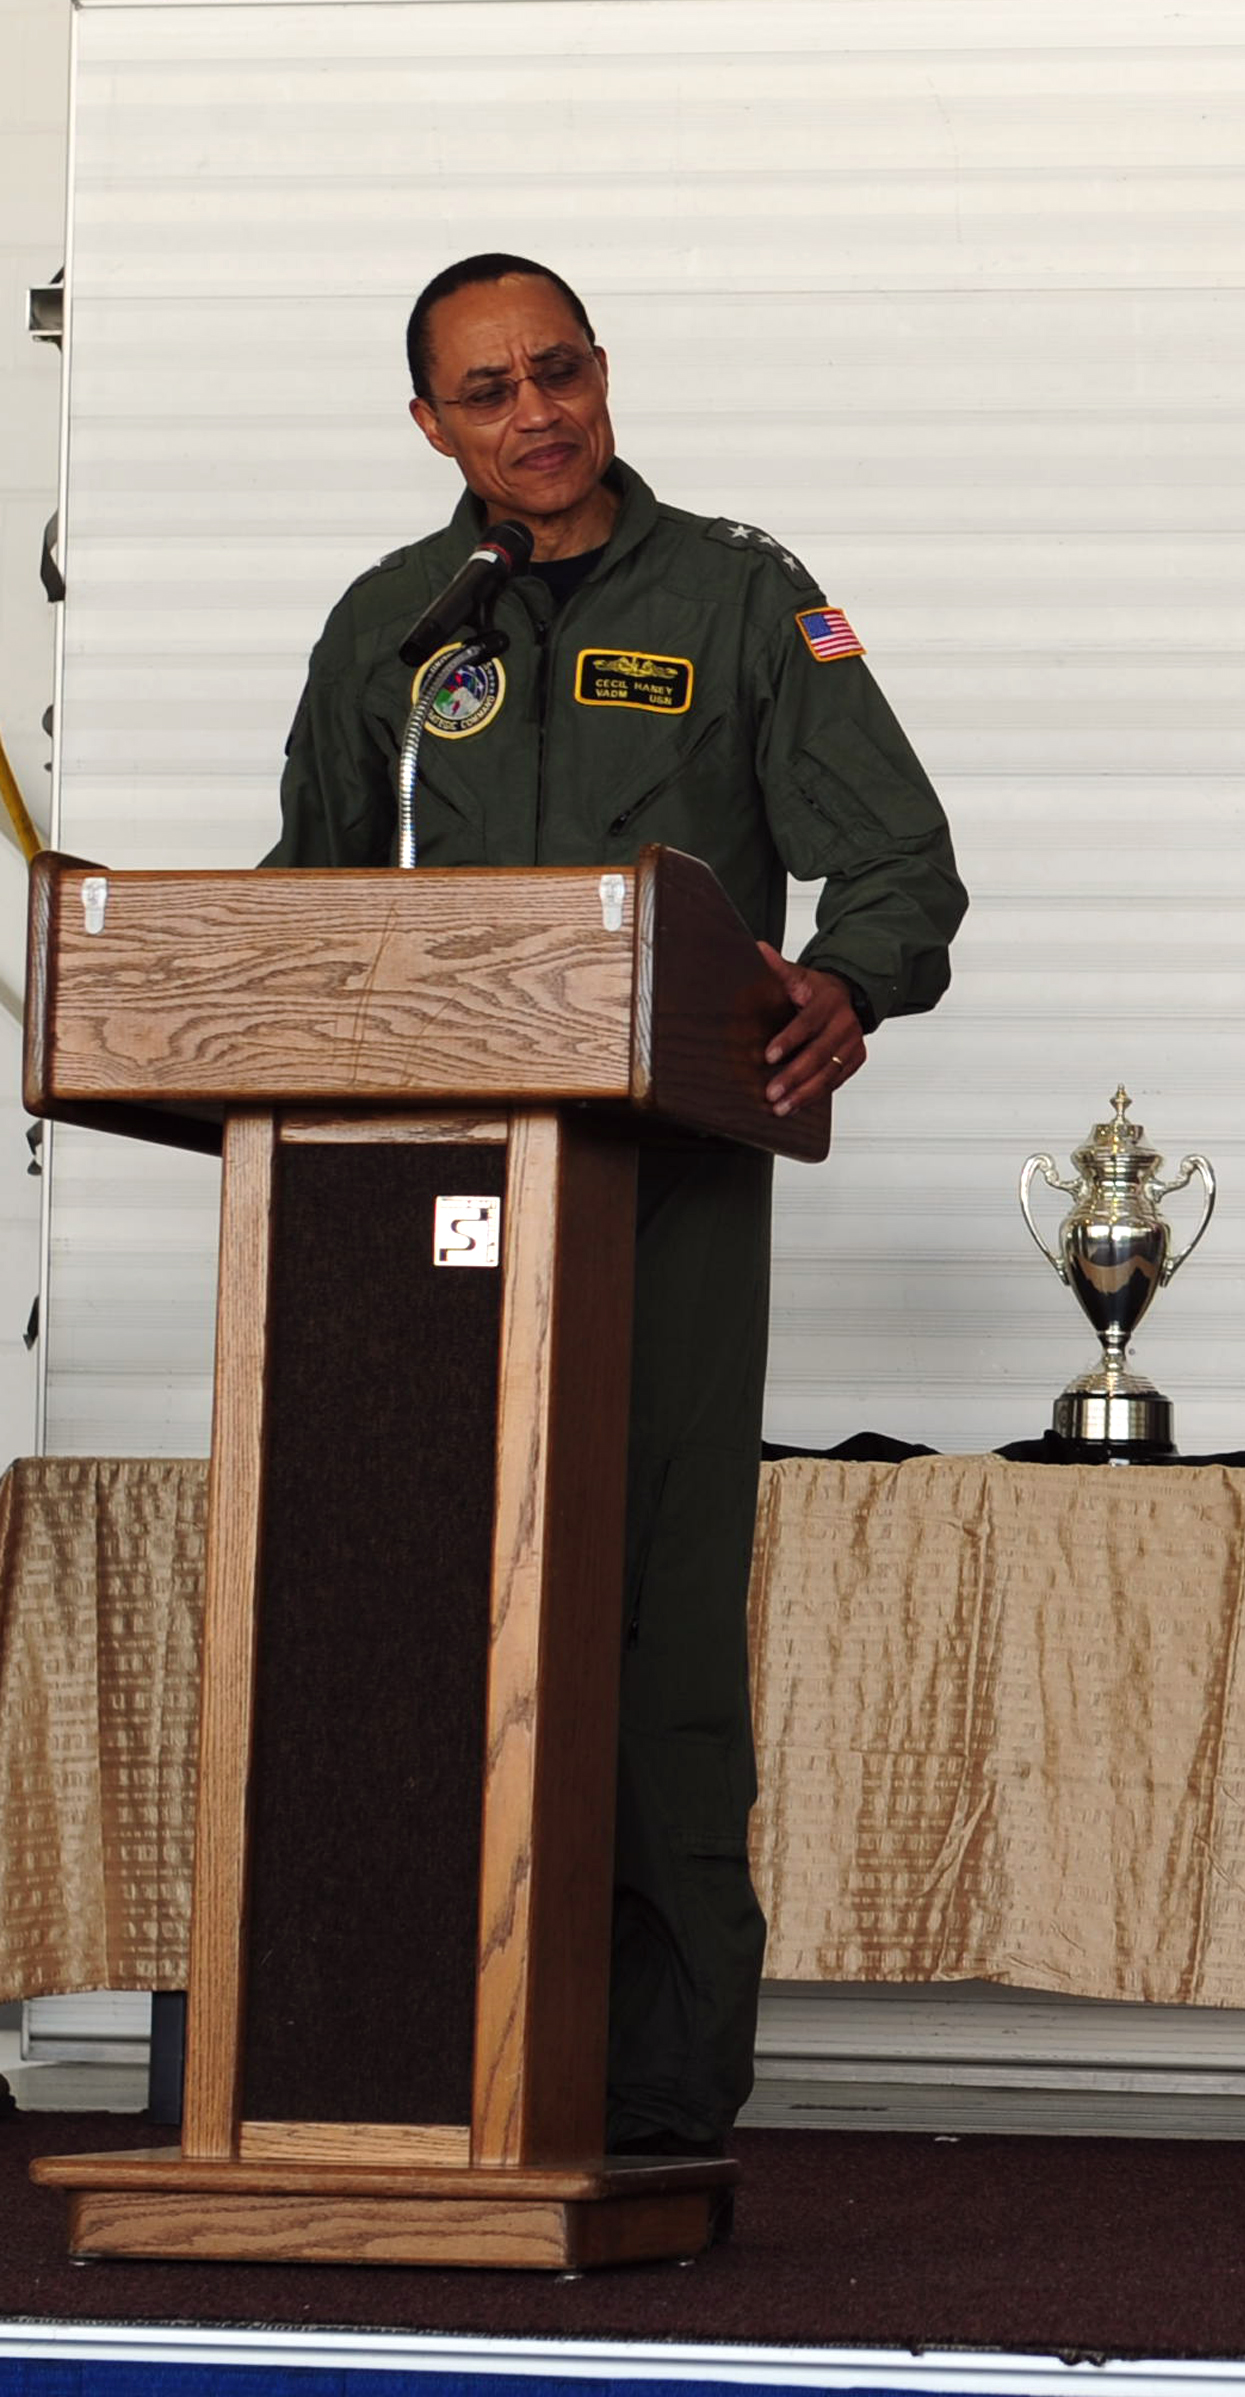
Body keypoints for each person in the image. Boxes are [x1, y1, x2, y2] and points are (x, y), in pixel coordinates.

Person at [266, 253, 969, 2156]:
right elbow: (299, 909)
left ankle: (654, 2078)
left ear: (601, 372)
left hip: (659, 1191)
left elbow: (897, 862)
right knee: (413, 1608)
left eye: (556, 370)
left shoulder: (741, 593)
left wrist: (852, 979)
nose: (535, 413)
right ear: (434, 429)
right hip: (407, 1204)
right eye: (486, 393)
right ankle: (400, 2038)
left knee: (652, 1614)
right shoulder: (392, 632)